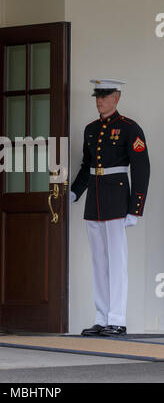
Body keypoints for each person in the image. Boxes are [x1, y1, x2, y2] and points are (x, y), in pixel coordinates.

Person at [70, 79, 150, 337]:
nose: (99, 100)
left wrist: (135, 207)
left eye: (104, 96)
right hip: (94, 200)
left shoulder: (129, 128)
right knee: (99, 263)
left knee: (117, 262)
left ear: (116, 97)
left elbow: (141, 168)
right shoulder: (91, 129)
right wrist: (74, 192)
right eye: (97, 96)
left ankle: (117, 318)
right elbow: (87, 166)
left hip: (117, 200)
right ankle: (101, 317)